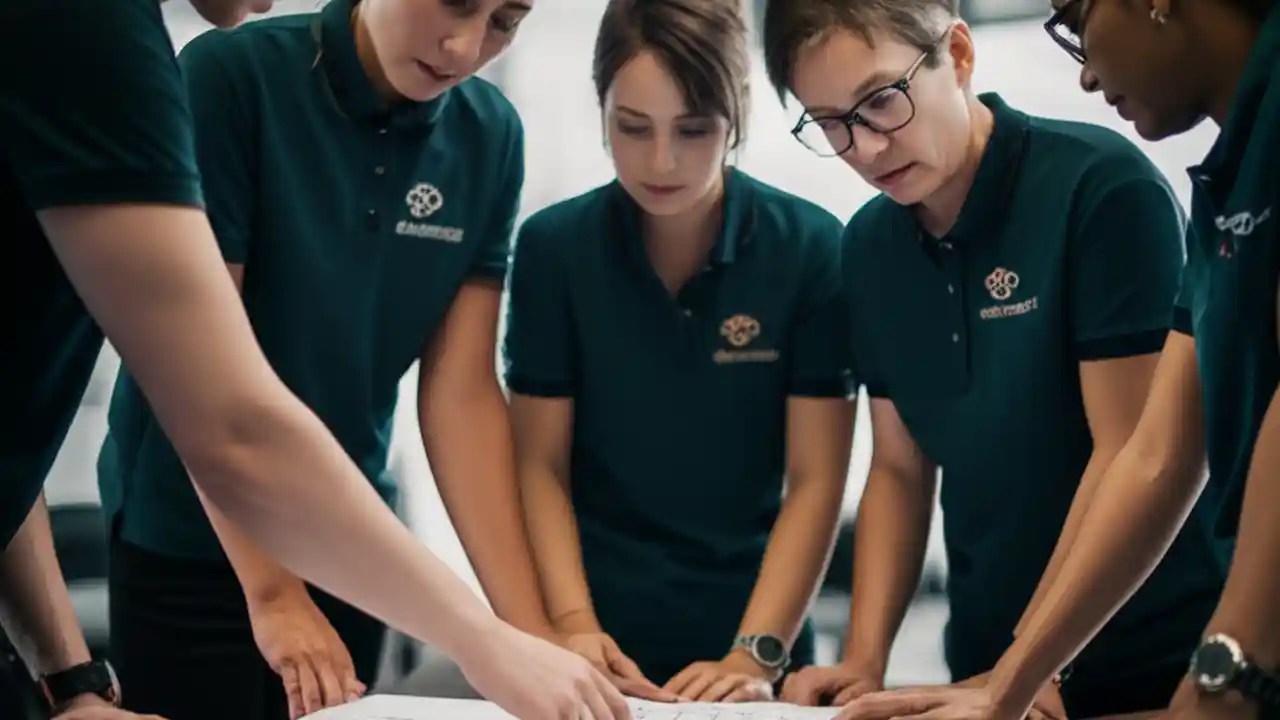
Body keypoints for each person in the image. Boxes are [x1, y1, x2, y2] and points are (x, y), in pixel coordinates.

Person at [0, 0, 628, 719]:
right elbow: (218, 411)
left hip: (351, 540)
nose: (464, 45)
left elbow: (460, 401)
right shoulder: (227, 74)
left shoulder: (489, 135)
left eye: (505, 23)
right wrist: (273, 592)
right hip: (195, 544)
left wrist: (529, 632)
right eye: (454, 4)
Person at [759, 0, 1228, 717]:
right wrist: (863, 658)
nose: (867, 148)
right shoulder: (869, 248)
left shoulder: (1100, 191)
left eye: (881, 101)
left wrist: (1031, 666)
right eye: (829, 124)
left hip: (1148, 659)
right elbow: (897, 467)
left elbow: (1129, 451)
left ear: (958, 54)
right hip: (985, 664)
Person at [503, 0, 856, 704]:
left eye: (694, 130)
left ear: (739, 114)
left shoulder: (811, 249)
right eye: (632, 128)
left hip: (757, 636)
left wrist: (757, 654)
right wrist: (571, 627)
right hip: (593, 635)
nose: (661, 161)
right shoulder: (552, 250)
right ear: (600, 109)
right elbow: (537, 466)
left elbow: (816, 479)